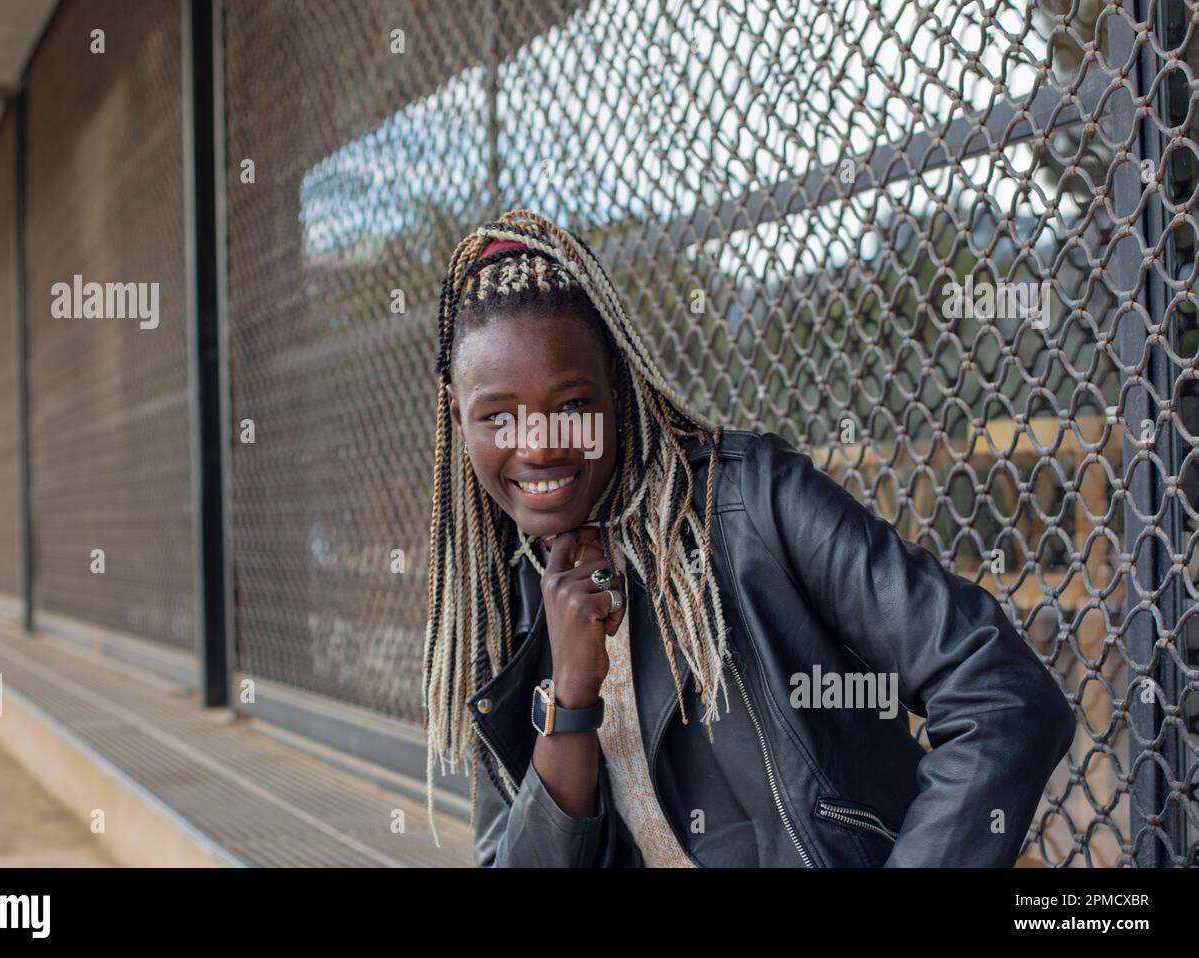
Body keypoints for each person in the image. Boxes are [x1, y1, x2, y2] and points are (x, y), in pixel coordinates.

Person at [421, 208, 1076, 867]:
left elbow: (1001, 692)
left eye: (571, 405)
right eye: (498, 416)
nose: (538, 447)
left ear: (615, 384)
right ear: (457, 414)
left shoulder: (752, 505)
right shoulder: (495, 606)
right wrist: (570, 697)